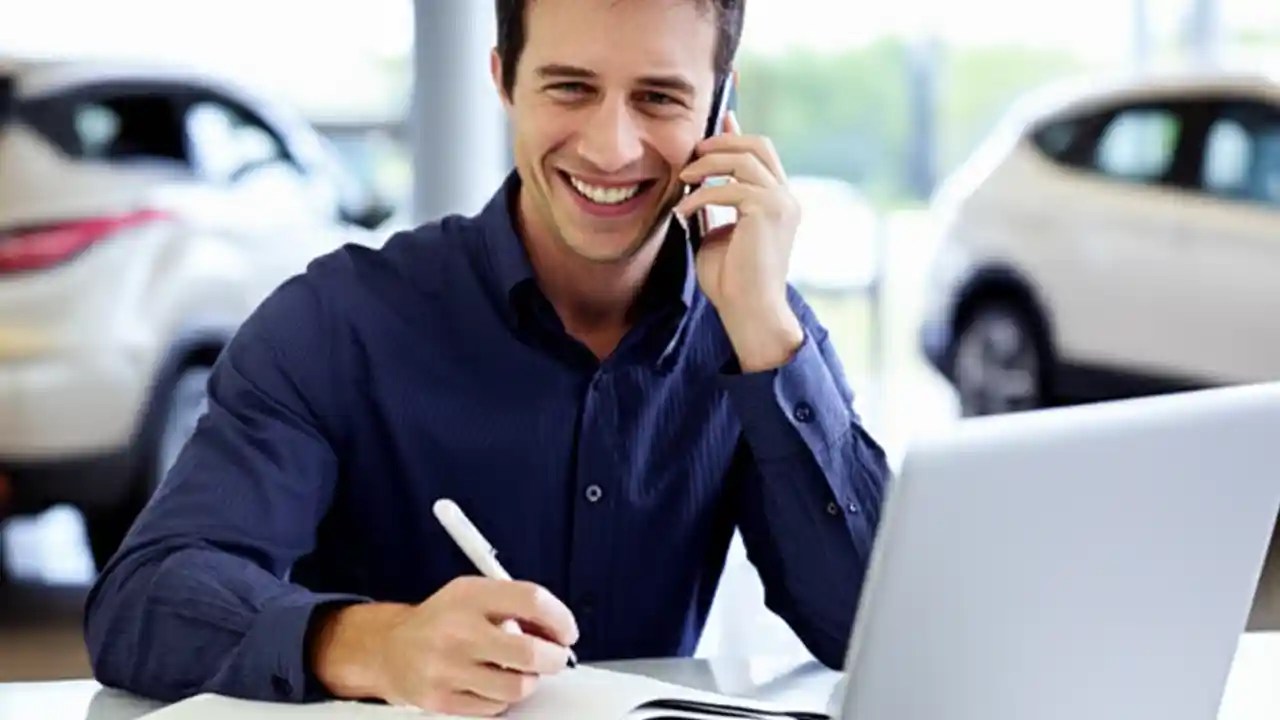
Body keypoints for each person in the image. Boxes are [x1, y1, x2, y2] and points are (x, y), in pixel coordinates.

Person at [84, 0, 891, 716]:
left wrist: (761, 325)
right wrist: (376, 644)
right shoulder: (338, 323)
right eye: (570, 88)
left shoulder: (759, 332)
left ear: (722, 105)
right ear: (504, 78)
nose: (612, 148)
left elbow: (876, 631)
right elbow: (143, 600)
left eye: (659, 96)